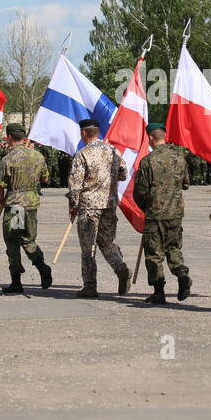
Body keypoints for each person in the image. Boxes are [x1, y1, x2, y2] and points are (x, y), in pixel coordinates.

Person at [67, 118, 129, 298]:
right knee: (106, 242)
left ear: (83, 133)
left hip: (89, 207)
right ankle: (121, 268)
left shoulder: (82, 154)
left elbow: (75, 185)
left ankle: (90, 285)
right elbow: (123, 174)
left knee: (88, 247)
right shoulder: (113, 151)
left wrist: (73, 205)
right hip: (109, 205)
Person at [133, 122, 191, 304]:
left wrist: (146, 208)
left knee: (154, 254)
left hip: (156, 213)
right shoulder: (179, 158)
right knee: (173, 248)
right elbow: (186, 184)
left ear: (150, 137)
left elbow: (140, 192)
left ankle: (159, 292)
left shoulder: (148, 161)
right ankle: (182, 274)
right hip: (175, 213)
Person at [0, 122, 52, 293]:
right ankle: (42, 266)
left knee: (13, 241)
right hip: (31, 204)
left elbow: (0, 184)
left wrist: (0, 200)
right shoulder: (38, 156)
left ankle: (16, 281)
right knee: (28, 239)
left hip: (15, 207)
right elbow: (45, 179)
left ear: (9, 137)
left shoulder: (8, 159)